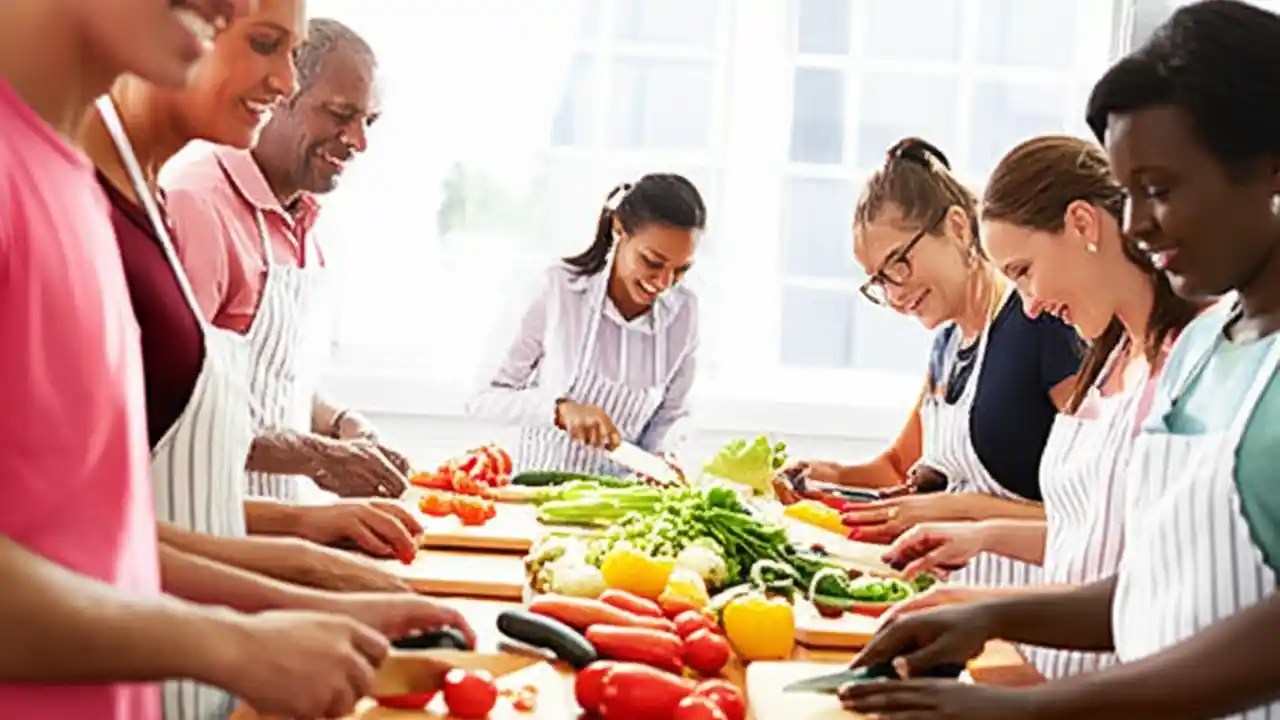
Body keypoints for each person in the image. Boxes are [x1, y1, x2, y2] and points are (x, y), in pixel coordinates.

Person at [0, 2, 466, 719]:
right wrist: (227, 641)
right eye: (264, 42)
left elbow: (95, 536)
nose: (279, 76)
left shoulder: (68, 179)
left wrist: (300, 582)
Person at [840, 2, 1280, 717]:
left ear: (1268, 165)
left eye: (1159, 191)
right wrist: (989, 616)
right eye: (1128, 194)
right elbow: (1155, 590)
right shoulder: (1205, 350)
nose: (1134, 225)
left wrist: (1034, 708)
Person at [876, 135, 1201, 680]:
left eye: (1024, 270)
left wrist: (986, 607)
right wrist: (981, 537)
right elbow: (1090, 539)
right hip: (1049, 676)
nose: (1028, 305)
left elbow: (1155, 587)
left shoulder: (1186, 369)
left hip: (1113, 693)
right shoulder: (1111, 356)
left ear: (1082, 224)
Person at [781, 138, 1083, 590]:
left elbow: (1094, 516)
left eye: (898, 263)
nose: (896, 294)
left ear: (959, 228)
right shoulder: (946, 345)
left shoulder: (1042, 323)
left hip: (1038, 605)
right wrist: (827, 477)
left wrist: (964, 509)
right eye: (879, 281)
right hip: (961, 603)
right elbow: (896, 470)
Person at [162, 17, 409, 504]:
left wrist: (339, 424)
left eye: (369, 121)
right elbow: (175, 409)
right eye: (340, 115)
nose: (359, 141)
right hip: (206, 526)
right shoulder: (198, 202)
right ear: (277, 99)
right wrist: (317, 457)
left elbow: (270, 382)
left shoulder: (304, 219)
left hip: (273, 530)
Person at [466, 175, 706, 476]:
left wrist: (663, 457)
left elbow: (671, 415)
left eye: (681, 269)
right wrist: (559, 410)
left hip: (624, 505)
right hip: (536, 497)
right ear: (619, 229)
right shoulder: (557, 289)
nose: (664, 283)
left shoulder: (684, 312)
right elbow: (484, 399)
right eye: (652, 262)